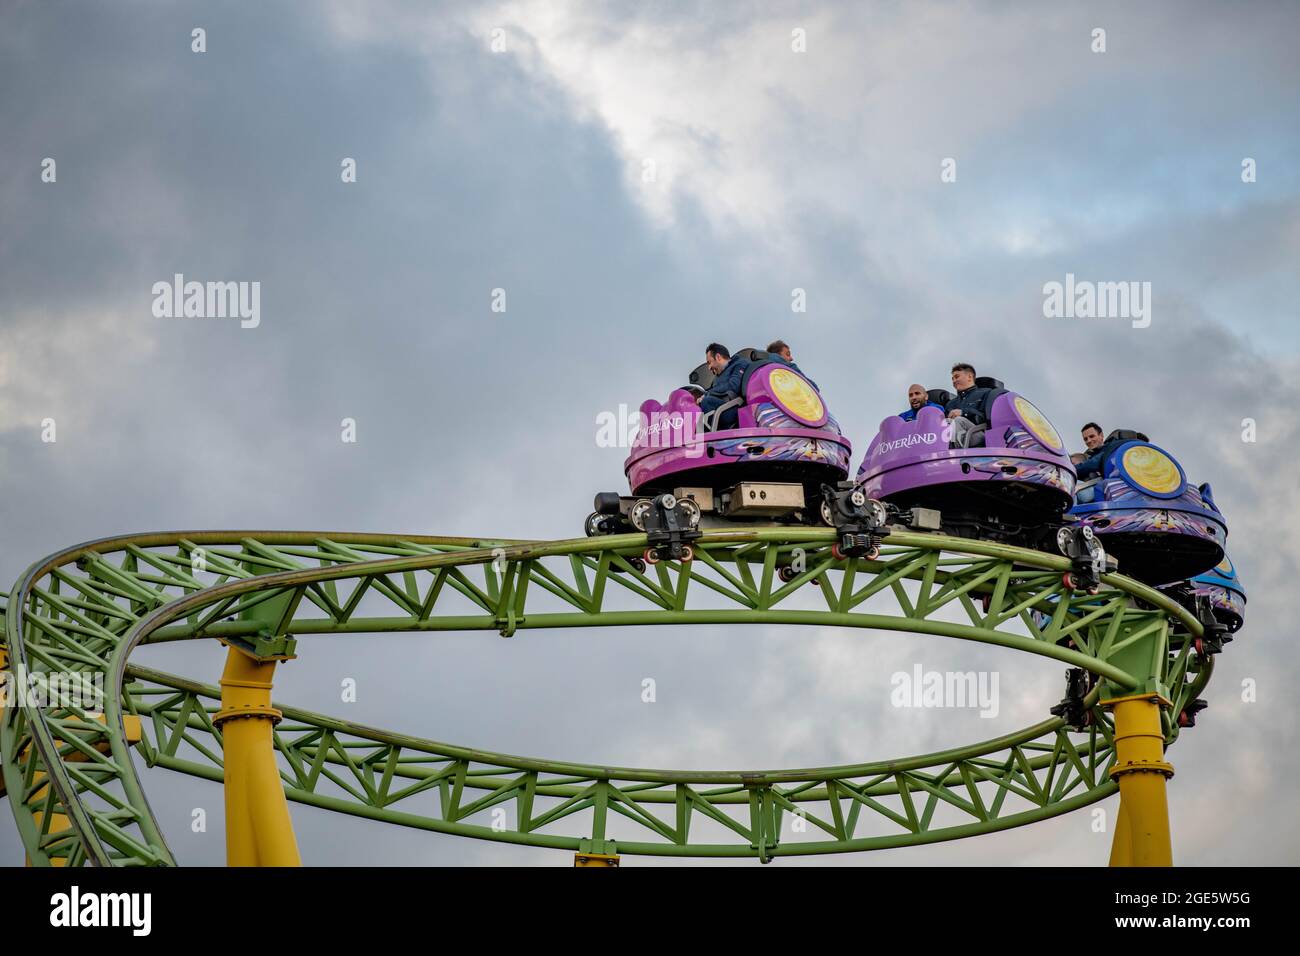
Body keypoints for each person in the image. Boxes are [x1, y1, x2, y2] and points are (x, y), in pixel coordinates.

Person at [697, 343, 751, 429]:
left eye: (709, 362)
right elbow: (711, 390)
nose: (709, 367)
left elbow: (733, 385)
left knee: (707, 401)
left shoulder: (739, 364)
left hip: (732, 408)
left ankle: (710, 436)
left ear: (718, 357)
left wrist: (707, 395)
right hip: (719, 408)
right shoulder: (716, 378)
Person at [944, 363, 993, 447]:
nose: (954, 381)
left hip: (978, 433)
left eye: (957, 377)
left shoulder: (986, 393)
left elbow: (988, 418)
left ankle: (956, 455)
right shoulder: (950, 404)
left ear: (969, 377)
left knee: (958, 420)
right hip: (954, 436)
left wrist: (963, 412)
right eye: (952, 379)